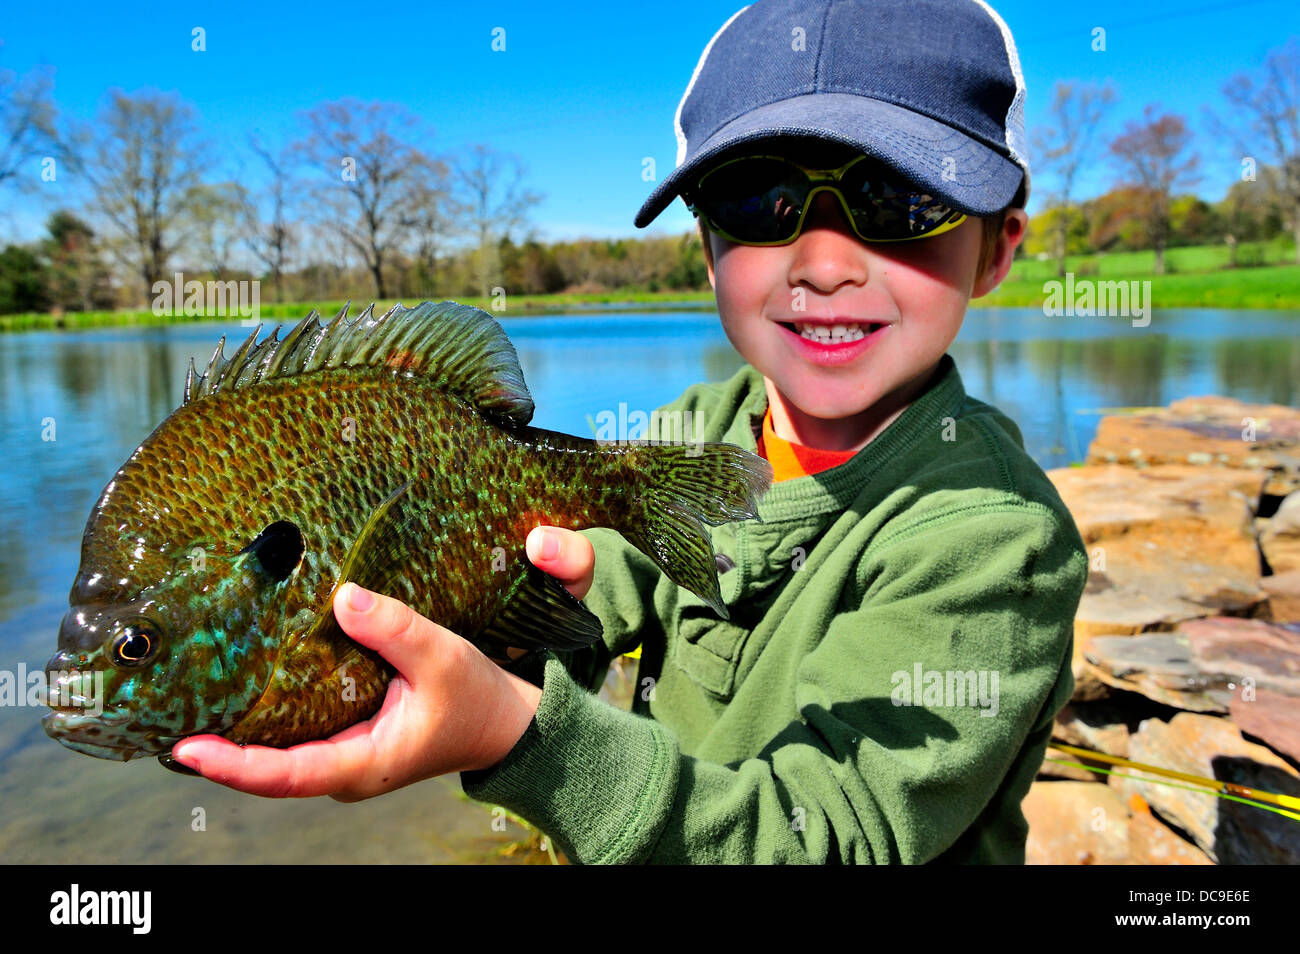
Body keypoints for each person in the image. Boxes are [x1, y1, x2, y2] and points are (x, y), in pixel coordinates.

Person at [172, 0, 1088, 864]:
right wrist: (462, 651)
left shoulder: (994, 537)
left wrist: (516, 740)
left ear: (999, 248)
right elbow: (591, 596)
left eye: (897, 200)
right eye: (758, 199)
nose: (824, 260)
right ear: (707, 249)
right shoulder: (698, 427)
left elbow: (824, 841)